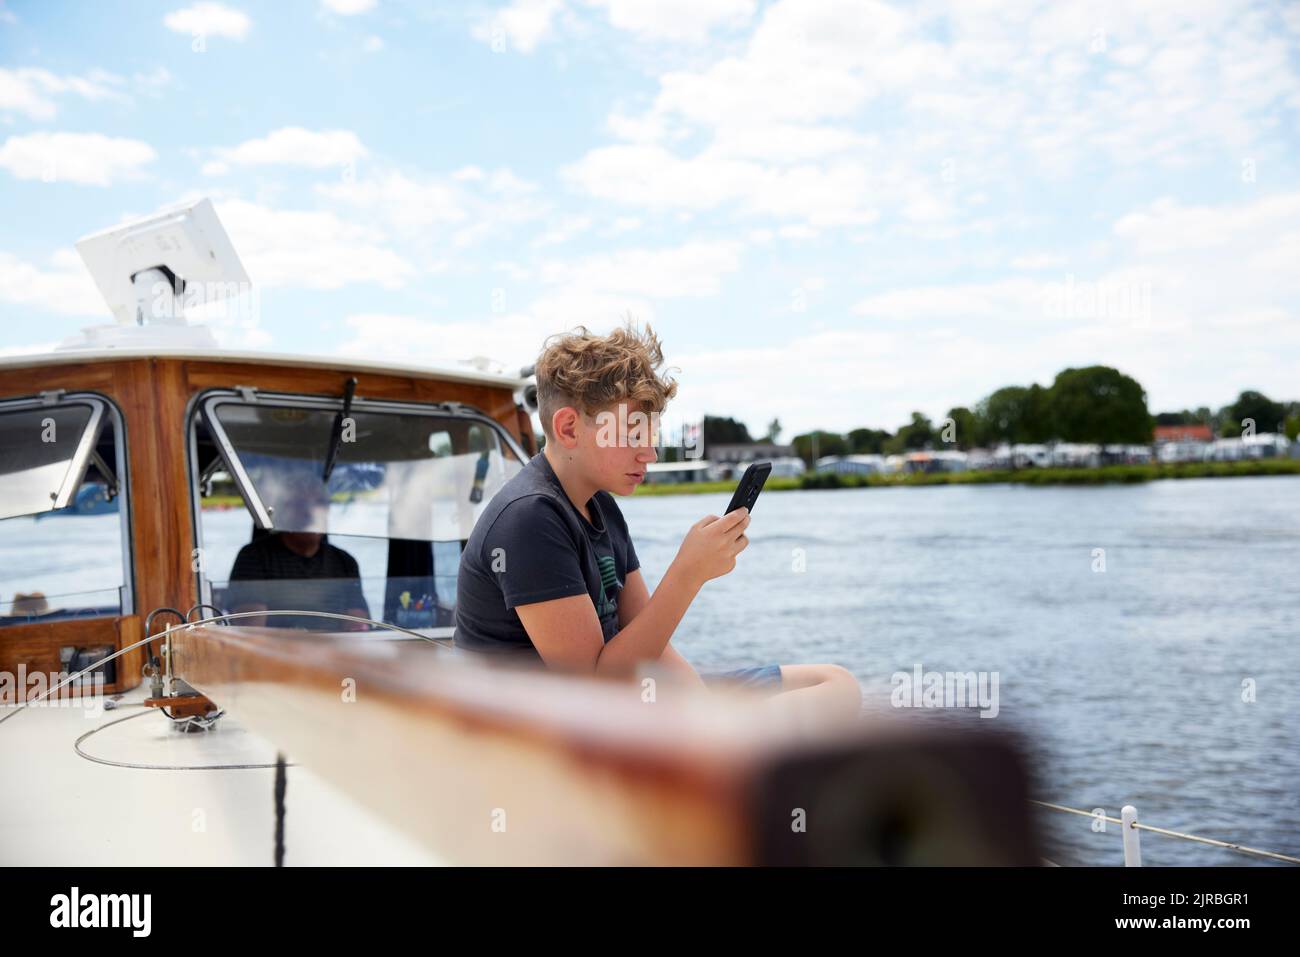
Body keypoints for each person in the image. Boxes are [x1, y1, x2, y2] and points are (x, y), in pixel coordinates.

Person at [453, 321, 861, 723]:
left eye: (651, 434)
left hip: (627, 704)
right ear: (569, 428)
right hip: (554, 737)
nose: (649, 453)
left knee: (834, 684)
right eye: (633, 435)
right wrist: (687, 575)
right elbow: (594, 690)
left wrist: (700, 704)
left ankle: (728, 741)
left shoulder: (602, 506)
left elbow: (652, 643)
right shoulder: (529, 519)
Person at [225, 472, 369, 631]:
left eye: (319, 503)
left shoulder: (345, 562)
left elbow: (358, 623)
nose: (312, 512)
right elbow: (251, 629)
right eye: (300, 504)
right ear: (283, 512)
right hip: (276, 653)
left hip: (335, 652)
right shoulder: (254, 557)